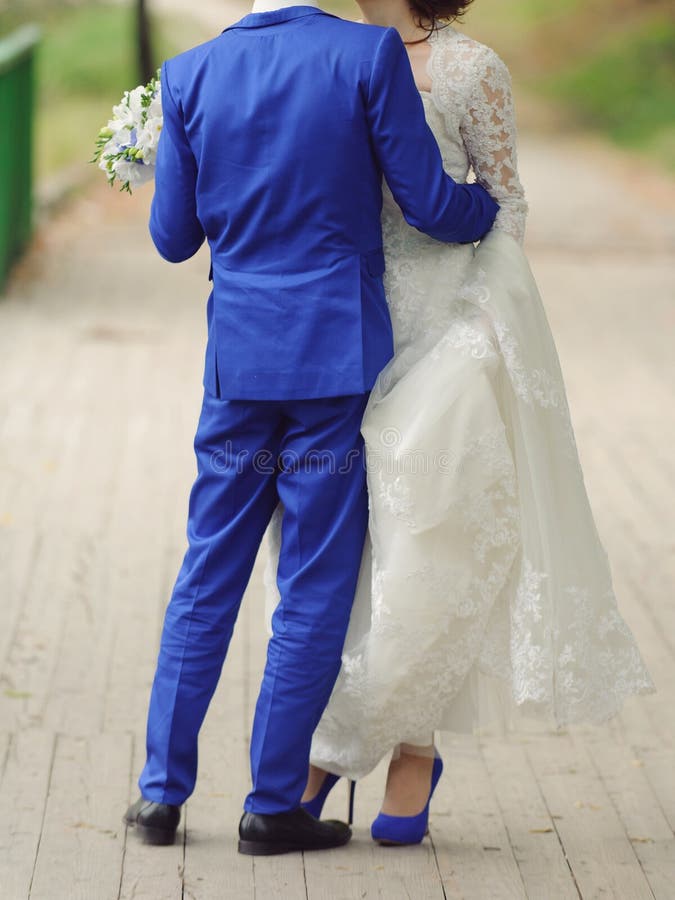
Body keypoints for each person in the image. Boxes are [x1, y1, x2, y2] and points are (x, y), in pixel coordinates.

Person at [264, 0, 657, 845]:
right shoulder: (336, 54)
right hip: (352, 324)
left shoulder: (471, 68)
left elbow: (506, 202)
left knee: (427, 534)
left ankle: (392, 750)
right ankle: (353, 738)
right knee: (350, 544)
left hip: (451, 328)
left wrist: (483, 324)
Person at [122, 0, 499, 855]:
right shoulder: (365, 57)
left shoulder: (188, 73)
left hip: (240, 365)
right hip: (331, 360)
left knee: (206, 573)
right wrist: (488, 210)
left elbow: (172, 240)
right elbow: (430, 205)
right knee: (314, 582)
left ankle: (157, 797)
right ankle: (269, 805)